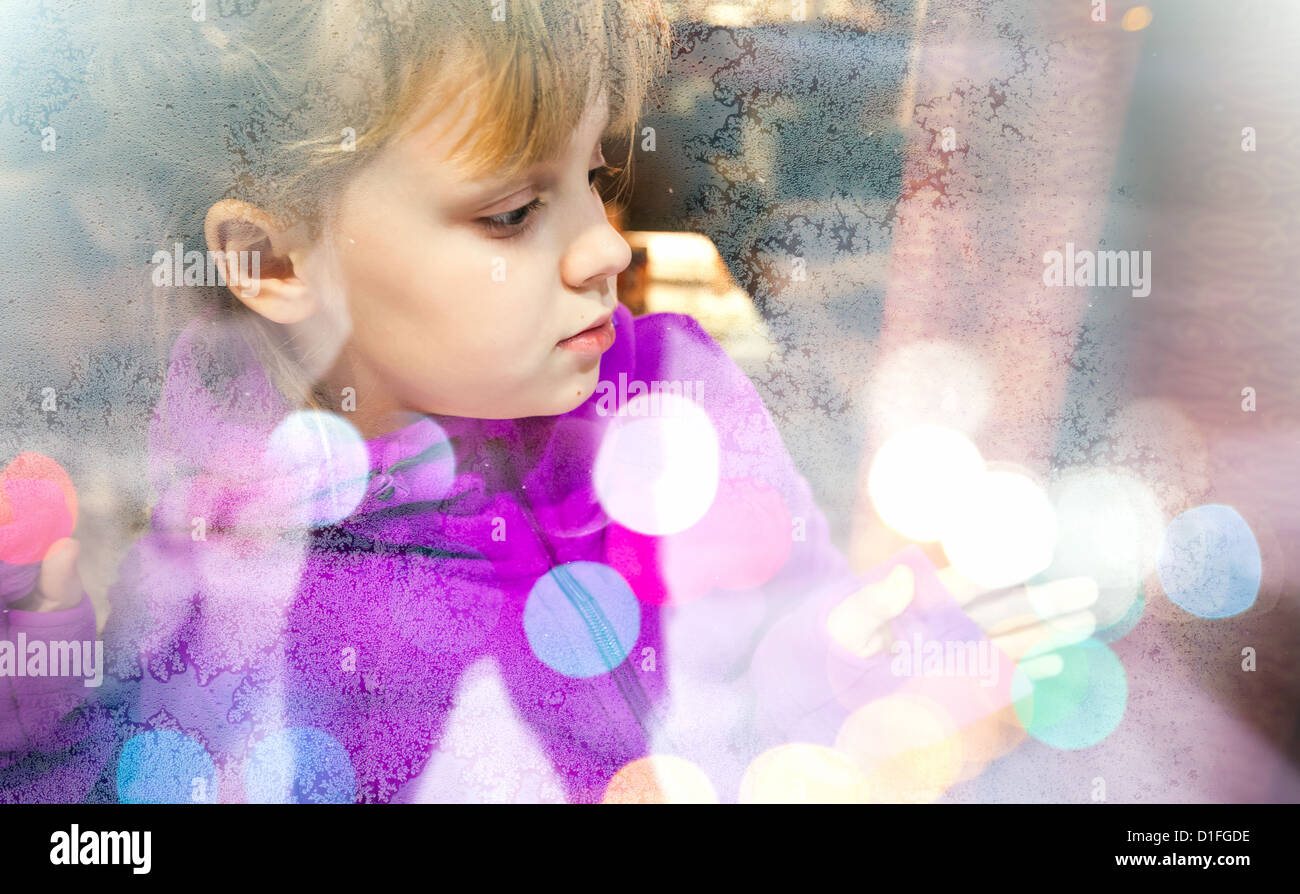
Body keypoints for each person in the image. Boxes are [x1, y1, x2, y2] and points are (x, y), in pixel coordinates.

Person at [1, 0, 1080, 804]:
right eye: (516, 210)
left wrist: (893, 666)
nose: (608, 244)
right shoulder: (222, 531)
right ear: (273, 255)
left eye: (596, 174)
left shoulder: (672, 403)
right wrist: (30, 703)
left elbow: (785, 640)